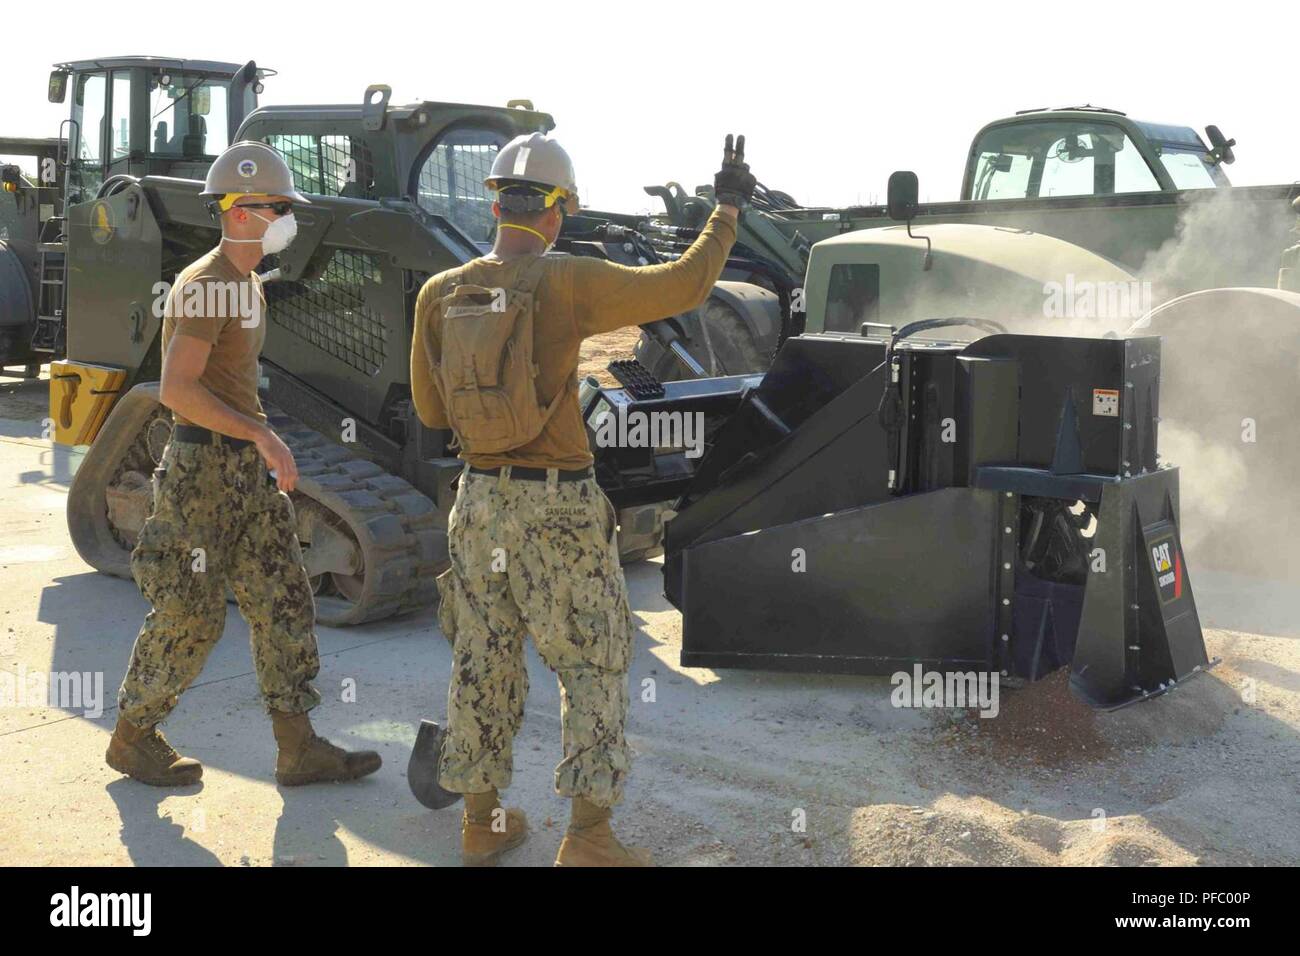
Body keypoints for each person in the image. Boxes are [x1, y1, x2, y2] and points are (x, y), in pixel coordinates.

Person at [411, 132, 756, 865]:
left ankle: (482, 823)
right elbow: (686, 285)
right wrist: (725, 210)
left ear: (495, 202)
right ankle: (590, 839)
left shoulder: (440, 294)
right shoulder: (569, 279)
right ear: (557, 211)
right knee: (591, 665)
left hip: (475, 502)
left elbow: (433, 414)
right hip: (557, 508)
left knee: (482, 658)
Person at [106, 141, 381, 788]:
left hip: (245, 476)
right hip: (203, 475)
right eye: (278, 207)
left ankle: (298, 747)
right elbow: (177, 391)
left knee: (284, 600)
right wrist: (262, 436)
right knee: (190, 614)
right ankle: (132, 737)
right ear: (239, 210)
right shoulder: (206, 286)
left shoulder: (244, 283)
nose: (287, 217)